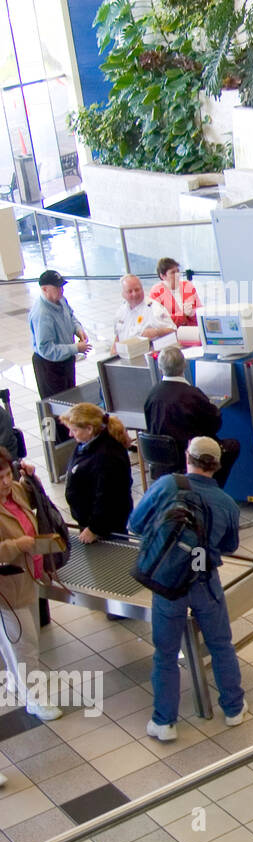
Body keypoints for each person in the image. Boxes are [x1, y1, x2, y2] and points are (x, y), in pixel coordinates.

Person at [128, 438, 246, 740]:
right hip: (205, 582)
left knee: (165, 653)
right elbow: (230, 545)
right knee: (221, 645)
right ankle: (233, 708)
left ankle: (164, 721)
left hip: (168, 583)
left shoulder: (168, 485)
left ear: (187, 457)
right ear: (217, 465)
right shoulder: (226, 503)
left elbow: (135, 524)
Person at [0, 446, 62, 722]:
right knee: (25, 644)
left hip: (28, 576)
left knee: (19, 642)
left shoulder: (13, 489)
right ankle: (36, 700)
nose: (5, 483)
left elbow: (31, 503)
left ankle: (22, 685)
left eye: (6, 475)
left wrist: (29, 480)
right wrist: (16, 545)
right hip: (7, 588)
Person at [144, 347, 241, 486]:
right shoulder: (192, 395)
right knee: (232, 446)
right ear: (184, 365)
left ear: (160, 369)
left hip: (163, 462)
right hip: (191, 457)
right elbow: (215, 425)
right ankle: (211, 488)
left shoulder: (152, 395)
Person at [28, 270, 90, 443]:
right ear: (45, 289)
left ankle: (74, 440)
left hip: (65, 361)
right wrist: (74, 348)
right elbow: (46, 349)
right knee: (57, 408)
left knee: (70, 401)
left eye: (62, 287)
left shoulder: (60, 300)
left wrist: (78, 329)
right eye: (57, 288)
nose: (61, 291)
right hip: (49, 366)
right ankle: (62, 447)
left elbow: (71, 316)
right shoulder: (42, 314)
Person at [61, 403, 133, 545]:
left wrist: (95, 528)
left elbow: (108, 497)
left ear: (89, 429)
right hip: (92, 523)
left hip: (105, 529)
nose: (70, 434)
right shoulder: (87, 444)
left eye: (74, 430)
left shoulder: (107, 456)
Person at [113, 274, 175, 349]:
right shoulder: (121, 312)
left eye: (137, 290)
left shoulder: (154, 309)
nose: (134, 294)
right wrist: (113, 352)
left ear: (142, 289)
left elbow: (173, 331)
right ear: (123, 294)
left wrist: (157, 332)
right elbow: (118, 336)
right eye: (130, 291)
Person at [149, 257, 201, 327]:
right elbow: (161, 320)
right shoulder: (156, 292)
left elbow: (200, 311)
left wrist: (192, 314)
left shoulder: (188, 286)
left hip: (193, 330)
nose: (177, 275)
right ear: (163, 276)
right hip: (172, 333)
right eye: (173, 272)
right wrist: (183, 315)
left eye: (178, 271)